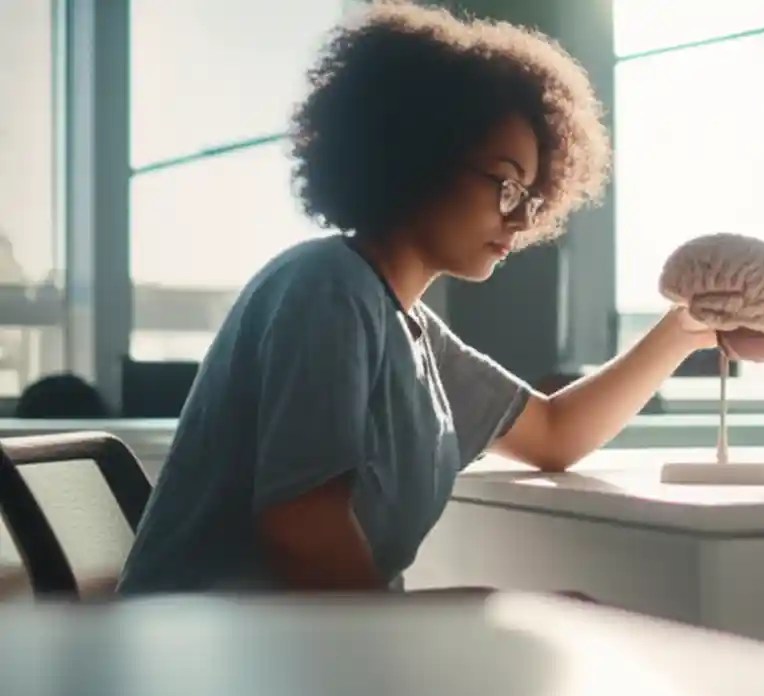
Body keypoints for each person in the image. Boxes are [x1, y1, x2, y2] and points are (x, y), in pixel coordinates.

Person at [116, 4, 715, 594]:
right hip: (217, 658)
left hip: (296, 650)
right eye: (506, 185)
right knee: (564, 622)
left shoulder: (404, 324)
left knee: (560, 619)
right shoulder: (327, 289)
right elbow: (303, 528)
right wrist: (411, 644)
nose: (519, 220)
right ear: (420, 152)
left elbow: (554, 434)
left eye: (531, 199)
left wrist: (685, 328)